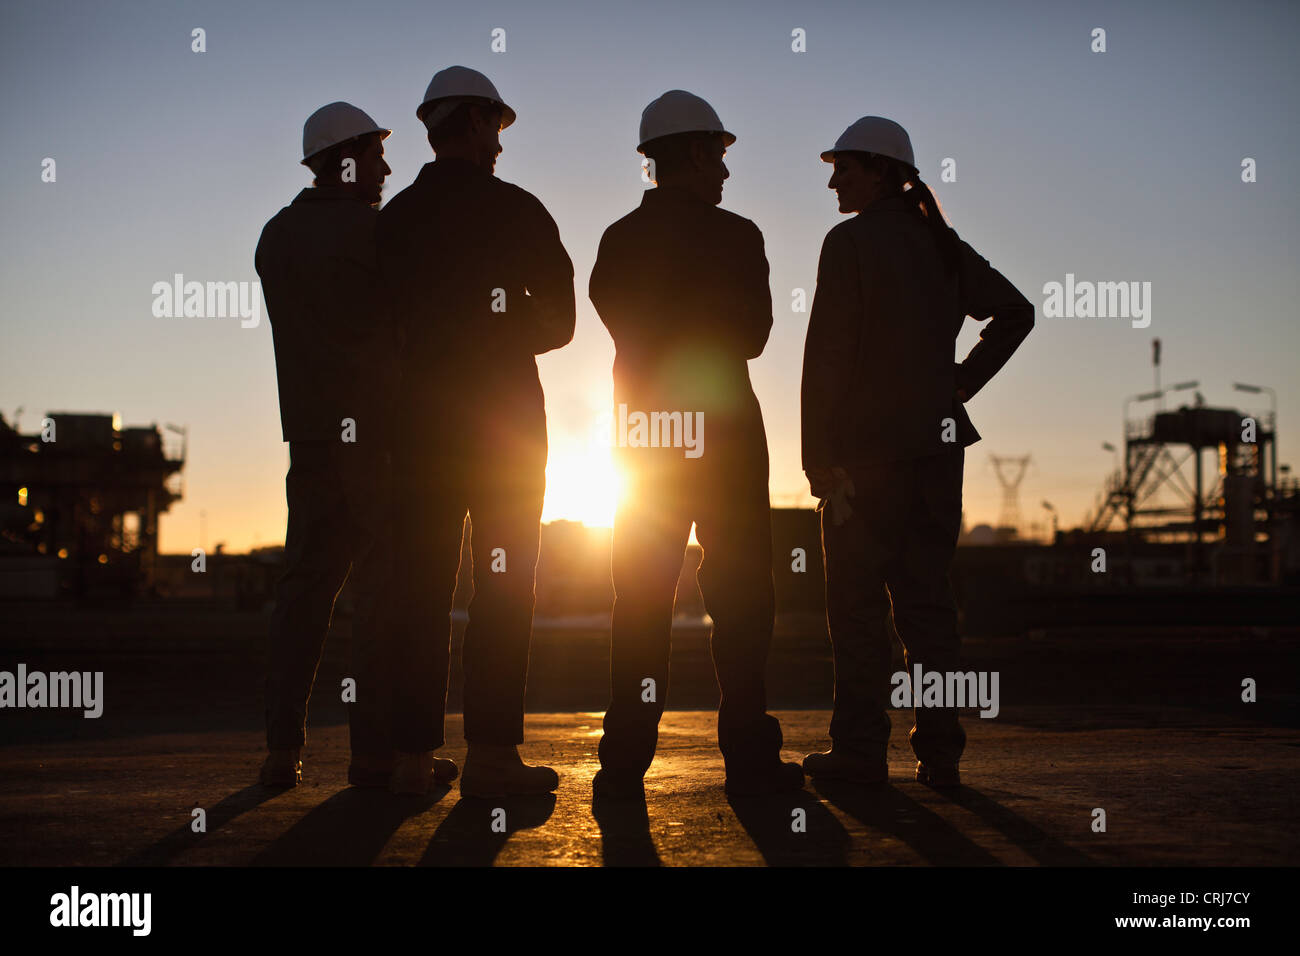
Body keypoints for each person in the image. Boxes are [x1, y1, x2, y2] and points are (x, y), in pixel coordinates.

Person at [801, 116, 1033, 787]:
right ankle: (940, 753)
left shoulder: (848, 244)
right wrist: (959, 381)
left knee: (856, 608)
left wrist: (820, 457)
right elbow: (1016, 312)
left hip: (864, 460)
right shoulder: (941, 244)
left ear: (879, 170)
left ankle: (860, 752)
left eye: (844, 167)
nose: (833, 178)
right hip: (936, 450)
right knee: (927, 606)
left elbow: (826, 358)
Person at [589, 90, 804, 799]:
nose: (725, 170)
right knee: (742, 598)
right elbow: (752, 337)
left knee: (642, 597)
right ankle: (748, 758)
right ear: (689, 155)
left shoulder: (619, 241)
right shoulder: (738, 237)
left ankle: (624, 758)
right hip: (725, 436)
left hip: (647, 439)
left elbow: (618, 318)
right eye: (717, 154)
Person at [377, 66, 575, 797]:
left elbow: (376, 332)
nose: (499, 141)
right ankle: (491, 758)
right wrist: (493, 329)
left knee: (418, 591)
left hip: (420, 432)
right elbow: (560, 321)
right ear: (469, 123)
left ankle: (408, 760)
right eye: (494, 125)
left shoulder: (394, 222)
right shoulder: (517, 211)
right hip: (504, 435)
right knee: (501, 587)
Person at [254, 102, 405, 788]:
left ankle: (282, 750)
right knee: (383, 590)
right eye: (376, 156)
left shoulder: (276, 237)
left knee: (304, 592)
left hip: (310, 437)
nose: (386, 168)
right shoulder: (380, 234)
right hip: (377, 439)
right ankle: (374, 758)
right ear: (347, 159)